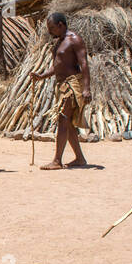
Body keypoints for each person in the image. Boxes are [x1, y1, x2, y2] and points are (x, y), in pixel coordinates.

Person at [29, 12, 92, 170]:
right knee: (68, 123)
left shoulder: (74, 40)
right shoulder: (59, 42)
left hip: (72, 84)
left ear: (61, 25)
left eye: (52, 28)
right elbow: (57, 66)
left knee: (63, 120)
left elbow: (84, 64)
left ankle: (57, 160)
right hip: (62, 85)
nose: (50, 31)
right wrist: (41, 76)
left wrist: (86, 88)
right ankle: (80, 158)